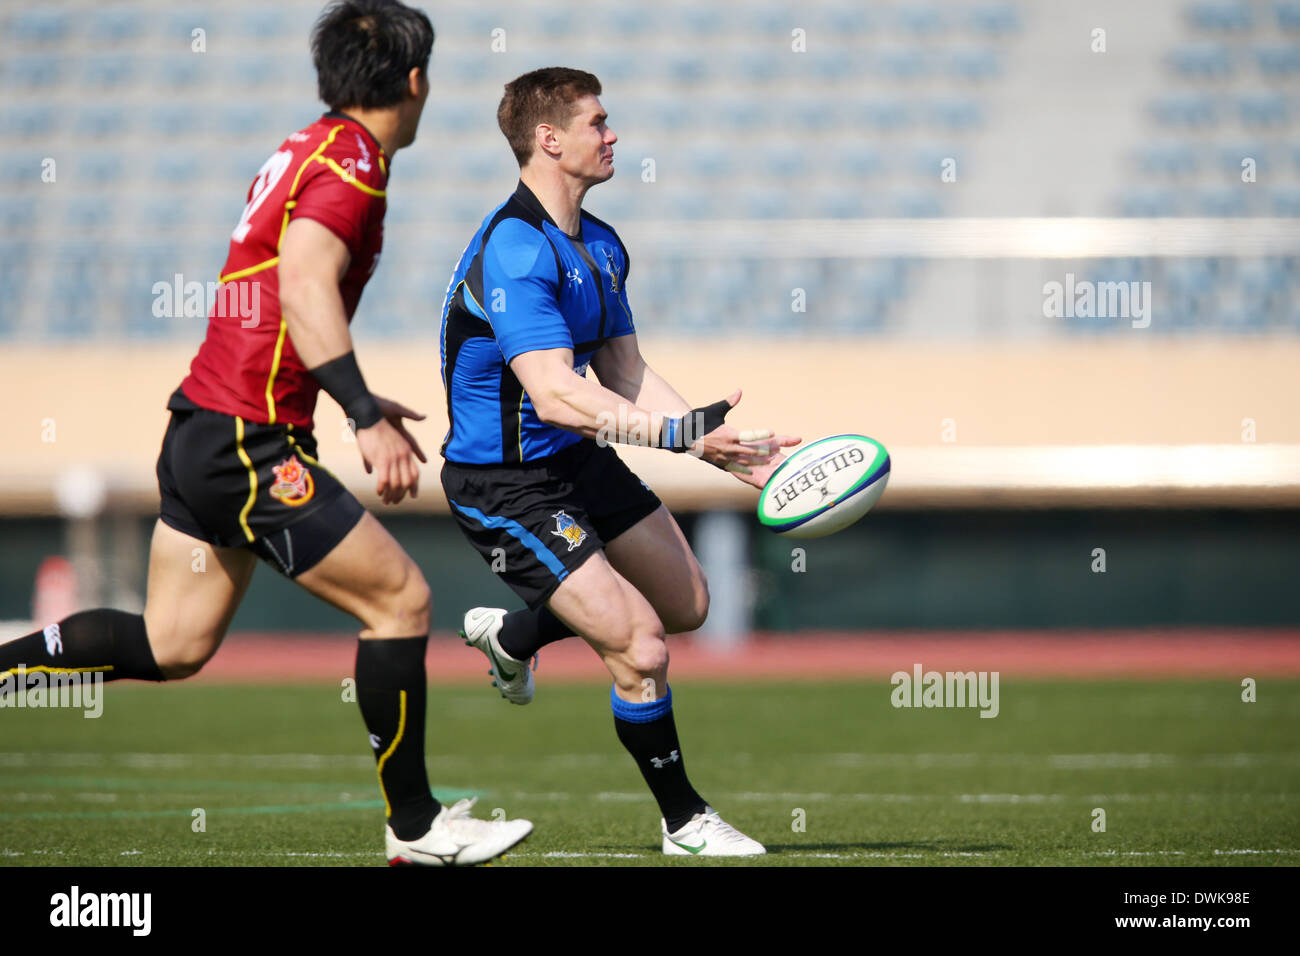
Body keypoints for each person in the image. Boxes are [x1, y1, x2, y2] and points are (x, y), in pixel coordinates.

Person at [0, 0, 530, 868]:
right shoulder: (352, 161)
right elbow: (304, 287)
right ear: (415, 79)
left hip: (204, 426)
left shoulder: (311, 147)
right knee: (399, 601)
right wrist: (360, 411)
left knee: (171, 645)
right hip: (245, 440)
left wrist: (349, 392)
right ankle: (417, 829)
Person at [438, 67, 799, 857]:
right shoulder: (513, 248)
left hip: (575, 462)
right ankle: (684, 822)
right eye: (598, 122)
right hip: (505, 484)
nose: (613, 136)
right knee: (640, 645)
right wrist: (677, 440)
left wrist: (718, 449)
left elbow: (625, 375)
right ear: (549, 139)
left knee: (687, 603)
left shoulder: (600, 245)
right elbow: (558, 394)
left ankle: (515, 638)